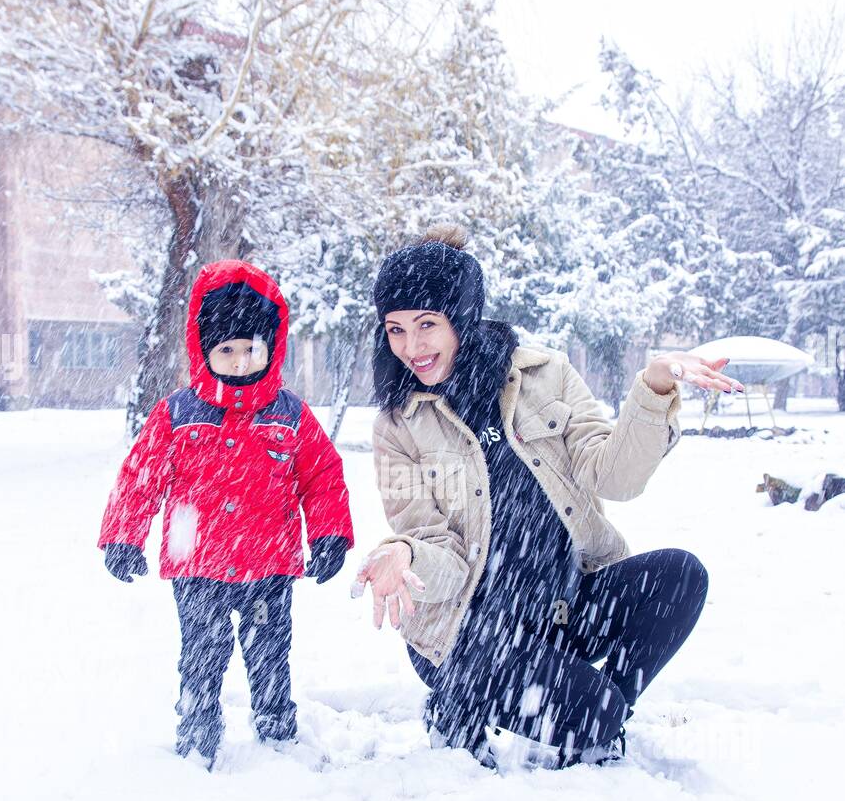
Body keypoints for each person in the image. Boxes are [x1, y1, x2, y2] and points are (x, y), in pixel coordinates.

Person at [355, 225, 743, 769]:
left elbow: (614, 477)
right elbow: (433, 543)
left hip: (560, 608)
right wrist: (407, 554)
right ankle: (464, 702)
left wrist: (653, 393)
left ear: (460, 318)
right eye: (395, 330)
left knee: (682, 577)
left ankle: (598, 716)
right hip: (470, 634)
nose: (412, 347)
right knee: (593, 716)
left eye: (427, 325)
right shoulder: (398, 426)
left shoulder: (545, 374)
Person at [99, 259, 354, 768]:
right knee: (202, 657)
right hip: (197, 567)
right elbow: (140, 476)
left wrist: (329, 535)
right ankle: (197, 735)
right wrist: (124, 535)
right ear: (204, 350)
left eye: (251, 349)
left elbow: (323, 477)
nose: (240, 362)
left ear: (271, 348)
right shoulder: (178, 414)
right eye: (227, 350)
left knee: (268, 656)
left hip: (268, 565)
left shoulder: (289, 415)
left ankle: (277, 729)